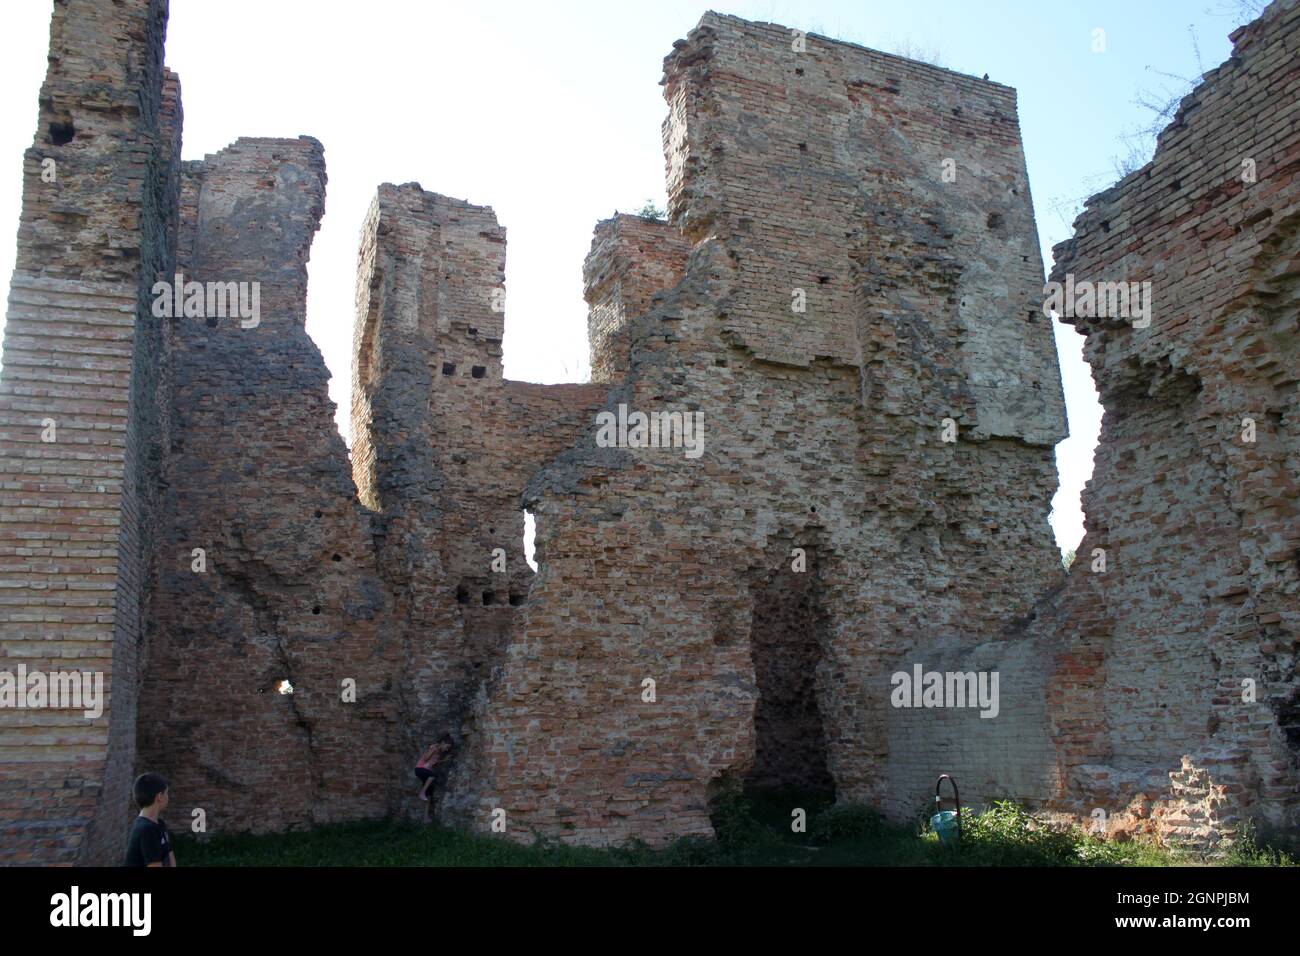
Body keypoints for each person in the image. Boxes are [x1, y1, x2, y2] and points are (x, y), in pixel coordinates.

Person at [123, 772, 177, 867]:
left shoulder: (160, 825)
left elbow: (170, 856)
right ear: (160, 796)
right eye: (167, 793)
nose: (168, 797)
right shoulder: (146, 830)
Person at [415, 734, 454, 802]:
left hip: (425, 771)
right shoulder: (434, 748)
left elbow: (434, 763)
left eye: (448, 748)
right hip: (419, 769)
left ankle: (426, 799)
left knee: (430, 789)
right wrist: (433, 750)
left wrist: (444, 760)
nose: (447, 749)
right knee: (432, 775)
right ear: (443, 743)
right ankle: (421, 793)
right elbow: (426, 758)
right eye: (447, 747)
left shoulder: (439, 753)